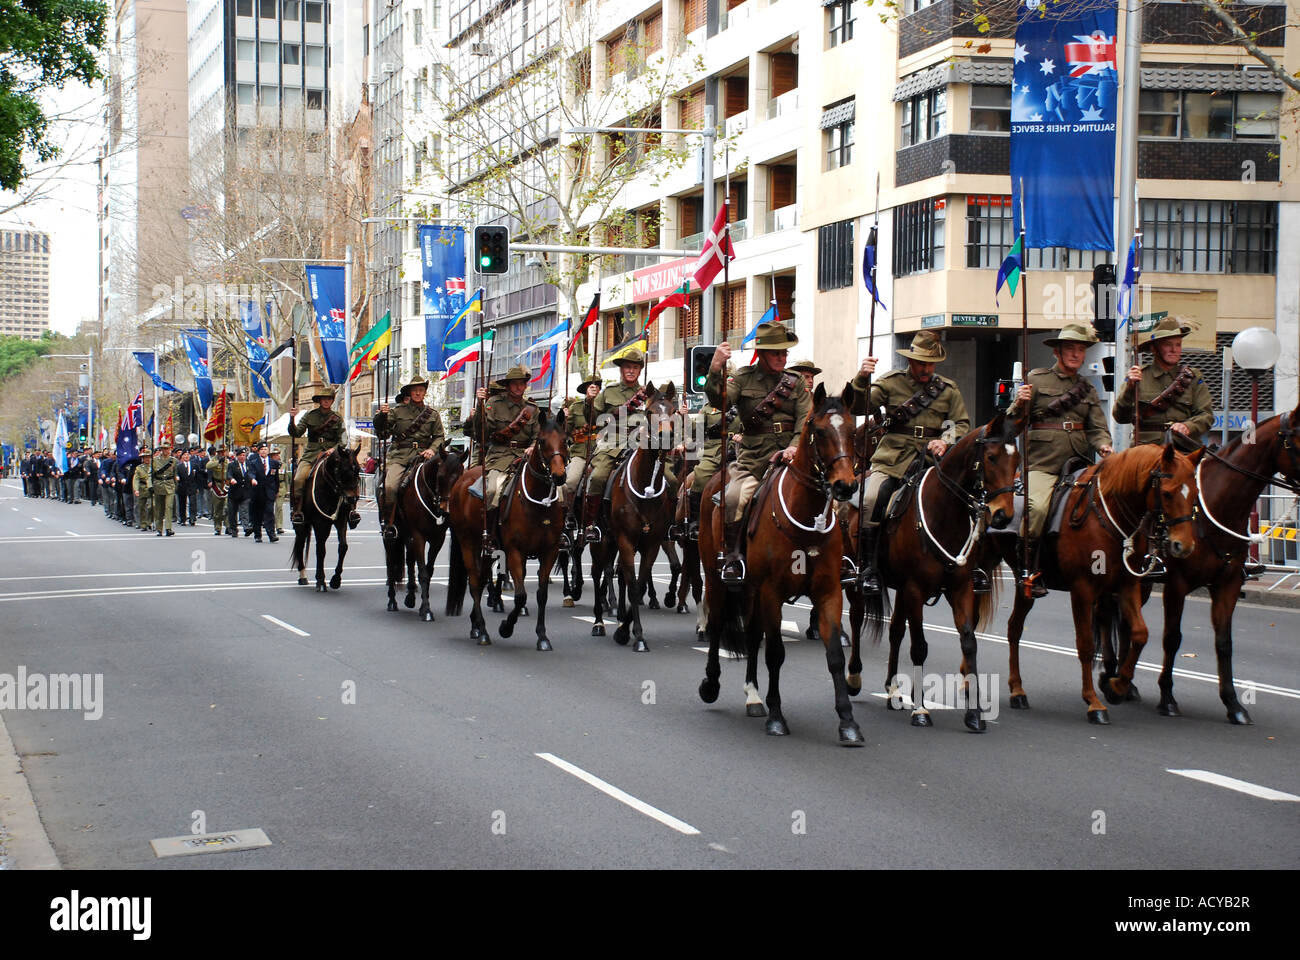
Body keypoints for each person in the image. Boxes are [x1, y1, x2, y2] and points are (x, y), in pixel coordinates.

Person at [847, 329, 972, 595]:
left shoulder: (948, 390)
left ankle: (971, 564)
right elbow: (859, 408)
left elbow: (961, 423)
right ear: (910, 361)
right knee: (870, 499)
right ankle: (868, 567)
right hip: (894, 457)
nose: (926, 368)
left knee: (970, 499)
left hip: (933, 461)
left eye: (930, 363)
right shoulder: (890, 382)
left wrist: (946, 439)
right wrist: (862, 379)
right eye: (921, 362)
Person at [1007, 323, 1114, 597]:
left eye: (1080, 349)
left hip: (1078, 462)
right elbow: (1013, 424)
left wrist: (1104, 445)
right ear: (1057, 352)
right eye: (1070, 349)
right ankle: (1027, 568)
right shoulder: (1037, 379)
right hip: (1043, 463)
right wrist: (1020, 402)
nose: (1076, 354)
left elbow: (1097, 428)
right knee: (1038, 509)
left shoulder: (1087, 389)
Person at [705, 322, 812, 582]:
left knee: (829, 499)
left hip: (792, 458)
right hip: (754, 459)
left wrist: (796, 446)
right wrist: (715, 367)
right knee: (733, 499)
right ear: (761, 353)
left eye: (785, 352)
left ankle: (827, 558)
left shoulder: (795, 382)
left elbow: (804, 418)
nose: (782, 357)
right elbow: (719, 400)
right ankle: (734, 557)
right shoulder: (742, 378)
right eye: (776, 352)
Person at [581, 348, 651, 543]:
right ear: (621, 370)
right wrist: (590, 400)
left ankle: (670, 524)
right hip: (612, 442)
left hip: (640, 443)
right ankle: (592, 524)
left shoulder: (648, 393)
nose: (631, 371)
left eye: (635, 367)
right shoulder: (608, 392)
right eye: (627, 367)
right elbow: (592, 418)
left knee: (668, 477)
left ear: (639, 370)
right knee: (597, 477)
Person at [1113, 315, 1214, 448]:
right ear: (1154, 349)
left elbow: (1206, 415)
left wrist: (1187, 426)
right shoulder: (1139, 377)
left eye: (1178, 344)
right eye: (1168, 344)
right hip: (1146, 449)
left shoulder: (1192, 378)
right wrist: (1129, 389)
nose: (1174, 350)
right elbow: (1120, 417)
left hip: (1183, 447)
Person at [464, 365, 538, 539]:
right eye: (515, 384)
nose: (519, 387)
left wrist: (533, 446)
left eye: (522, 384)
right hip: (500, 455)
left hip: (525, 456)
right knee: (492, 490)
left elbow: (538, 433)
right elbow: (482, 432)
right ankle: (489, 533)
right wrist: (480, 404)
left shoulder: (532, 408)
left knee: (556, 488)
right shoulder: (494, 404)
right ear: (508, 386)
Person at [374, 374, 446, 542]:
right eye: (415, 390)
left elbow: (439, 437)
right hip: (400, 456)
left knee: (445, 481)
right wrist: (381, 416)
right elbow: (382, 432)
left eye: (421, 390)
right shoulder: (397, 411)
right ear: (410, 392)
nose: (418, 393)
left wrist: (432, 449)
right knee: (390, 486)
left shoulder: (433, 414)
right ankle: (389, 523)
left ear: (425, 392)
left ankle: (443, 517)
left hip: (424, 456)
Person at [288, 384, 356, 526]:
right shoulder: (309, 415)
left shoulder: (337, 418)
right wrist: (292, 419)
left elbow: (343, 440)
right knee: (299, 479)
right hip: (312, 453)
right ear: (319, 401)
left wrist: (333, 449)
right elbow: (296, 433)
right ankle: (297, 510)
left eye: (329, 399)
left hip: (332, 454)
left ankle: (351, 511)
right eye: (323, 399)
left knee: (347, 475)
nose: (326, 401)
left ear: (332, 401)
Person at [561, 376, 602, 523]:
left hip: (602, 452)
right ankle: (569, 514)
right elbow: (565, 433)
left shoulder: (606, 406)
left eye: (597, 385)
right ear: (585, 389)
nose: (594, 388)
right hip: (580, 452)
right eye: (591, 386)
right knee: (570, 482)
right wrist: (563, 419)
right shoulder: (575, 407)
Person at [247, 441, 278, 542]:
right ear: (259, 452)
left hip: (269, 492)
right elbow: (251, 473)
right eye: (262, 449)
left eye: (265, 449)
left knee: (269, 513)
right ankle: (258, 534)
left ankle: (271, 534)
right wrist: (253, 479)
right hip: (257, 492)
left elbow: (276, 478)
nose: (264, 451)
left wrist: (276, 491)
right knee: (258, 514)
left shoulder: (274, 463)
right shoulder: (254, 463)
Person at [151, 441, 178, 536]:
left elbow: (175, 474)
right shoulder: (154, 460)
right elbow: (151, 474)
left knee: (169, 507)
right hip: (158, 485)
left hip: (170, 485)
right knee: (159, 508)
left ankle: (168, 528)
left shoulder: (173, 460)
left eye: (167, 449)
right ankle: (159, 528)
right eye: (164, 449)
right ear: (161, 450)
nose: (166, 451)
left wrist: (176, 485)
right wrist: (150, 486)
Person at [226, 448, 251, 537]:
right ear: (237, 456)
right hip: (234, 491)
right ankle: (233, 529)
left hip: (245, 491)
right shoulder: (232, 465)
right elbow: (228, 474)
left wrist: (253, 479)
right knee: (232, 511)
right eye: (240, 455)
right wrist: (231, 479)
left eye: (243, 455)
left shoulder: (249, 464)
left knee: (245, 510)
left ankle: (246, 527)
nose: (242, 457)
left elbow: (251, 474)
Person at [207, 445, 229, 536]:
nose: (222, 453)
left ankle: (228, 526)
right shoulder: (214, 460)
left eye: (224, 451)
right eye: (220, 452)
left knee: (227, 508)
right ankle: (217, 527)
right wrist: (218, 462)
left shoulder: (229, 461)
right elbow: (208, 466)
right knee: (218, 509)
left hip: (226, 484)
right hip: (217, 484)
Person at [133, 448, 154, 531]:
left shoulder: (154, 467)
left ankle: (150, 522)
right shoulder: (139, 468)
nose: (147, 459)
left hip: (151, 488)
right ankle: (143, 524)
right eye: (145, 457)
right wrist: (136, 489)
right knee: (142, 507)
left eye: (148, 457)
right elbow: (136, 479)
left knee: (152, 506)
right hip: (142, 487)